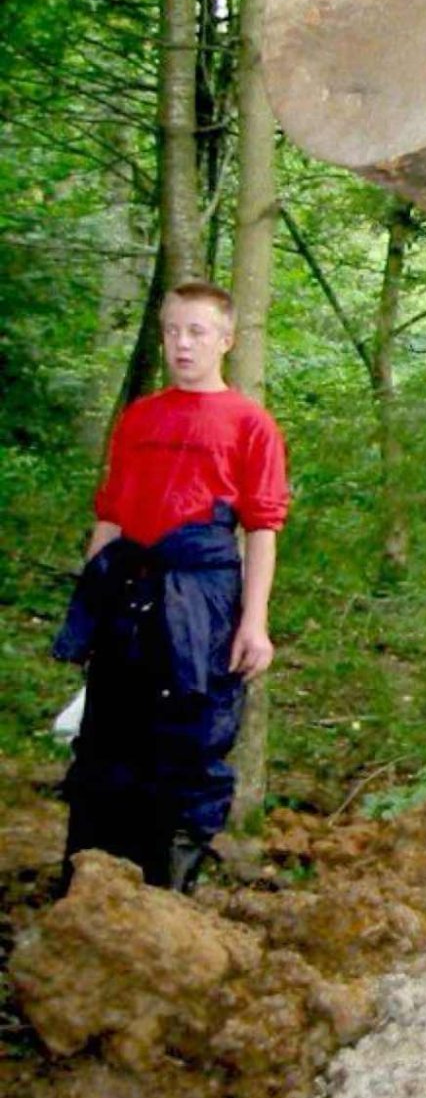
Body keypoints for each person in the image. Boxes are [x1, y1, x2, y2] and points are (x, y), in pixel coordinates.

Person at [54, 281, 289, 892]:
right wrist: (91, 607)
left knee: (190, 740)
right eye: (172, 331)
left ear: (226, 339)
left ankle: (167, 895)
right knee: (108, 739)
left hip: (203, 601)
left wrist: (254, 623)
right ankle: (89, 889)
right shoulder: (140, 417)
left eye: (197, 332)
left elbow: (262, 529)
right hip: (128, 592)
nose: (182, 344)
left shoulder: (250, 424)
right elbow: (111, 517)